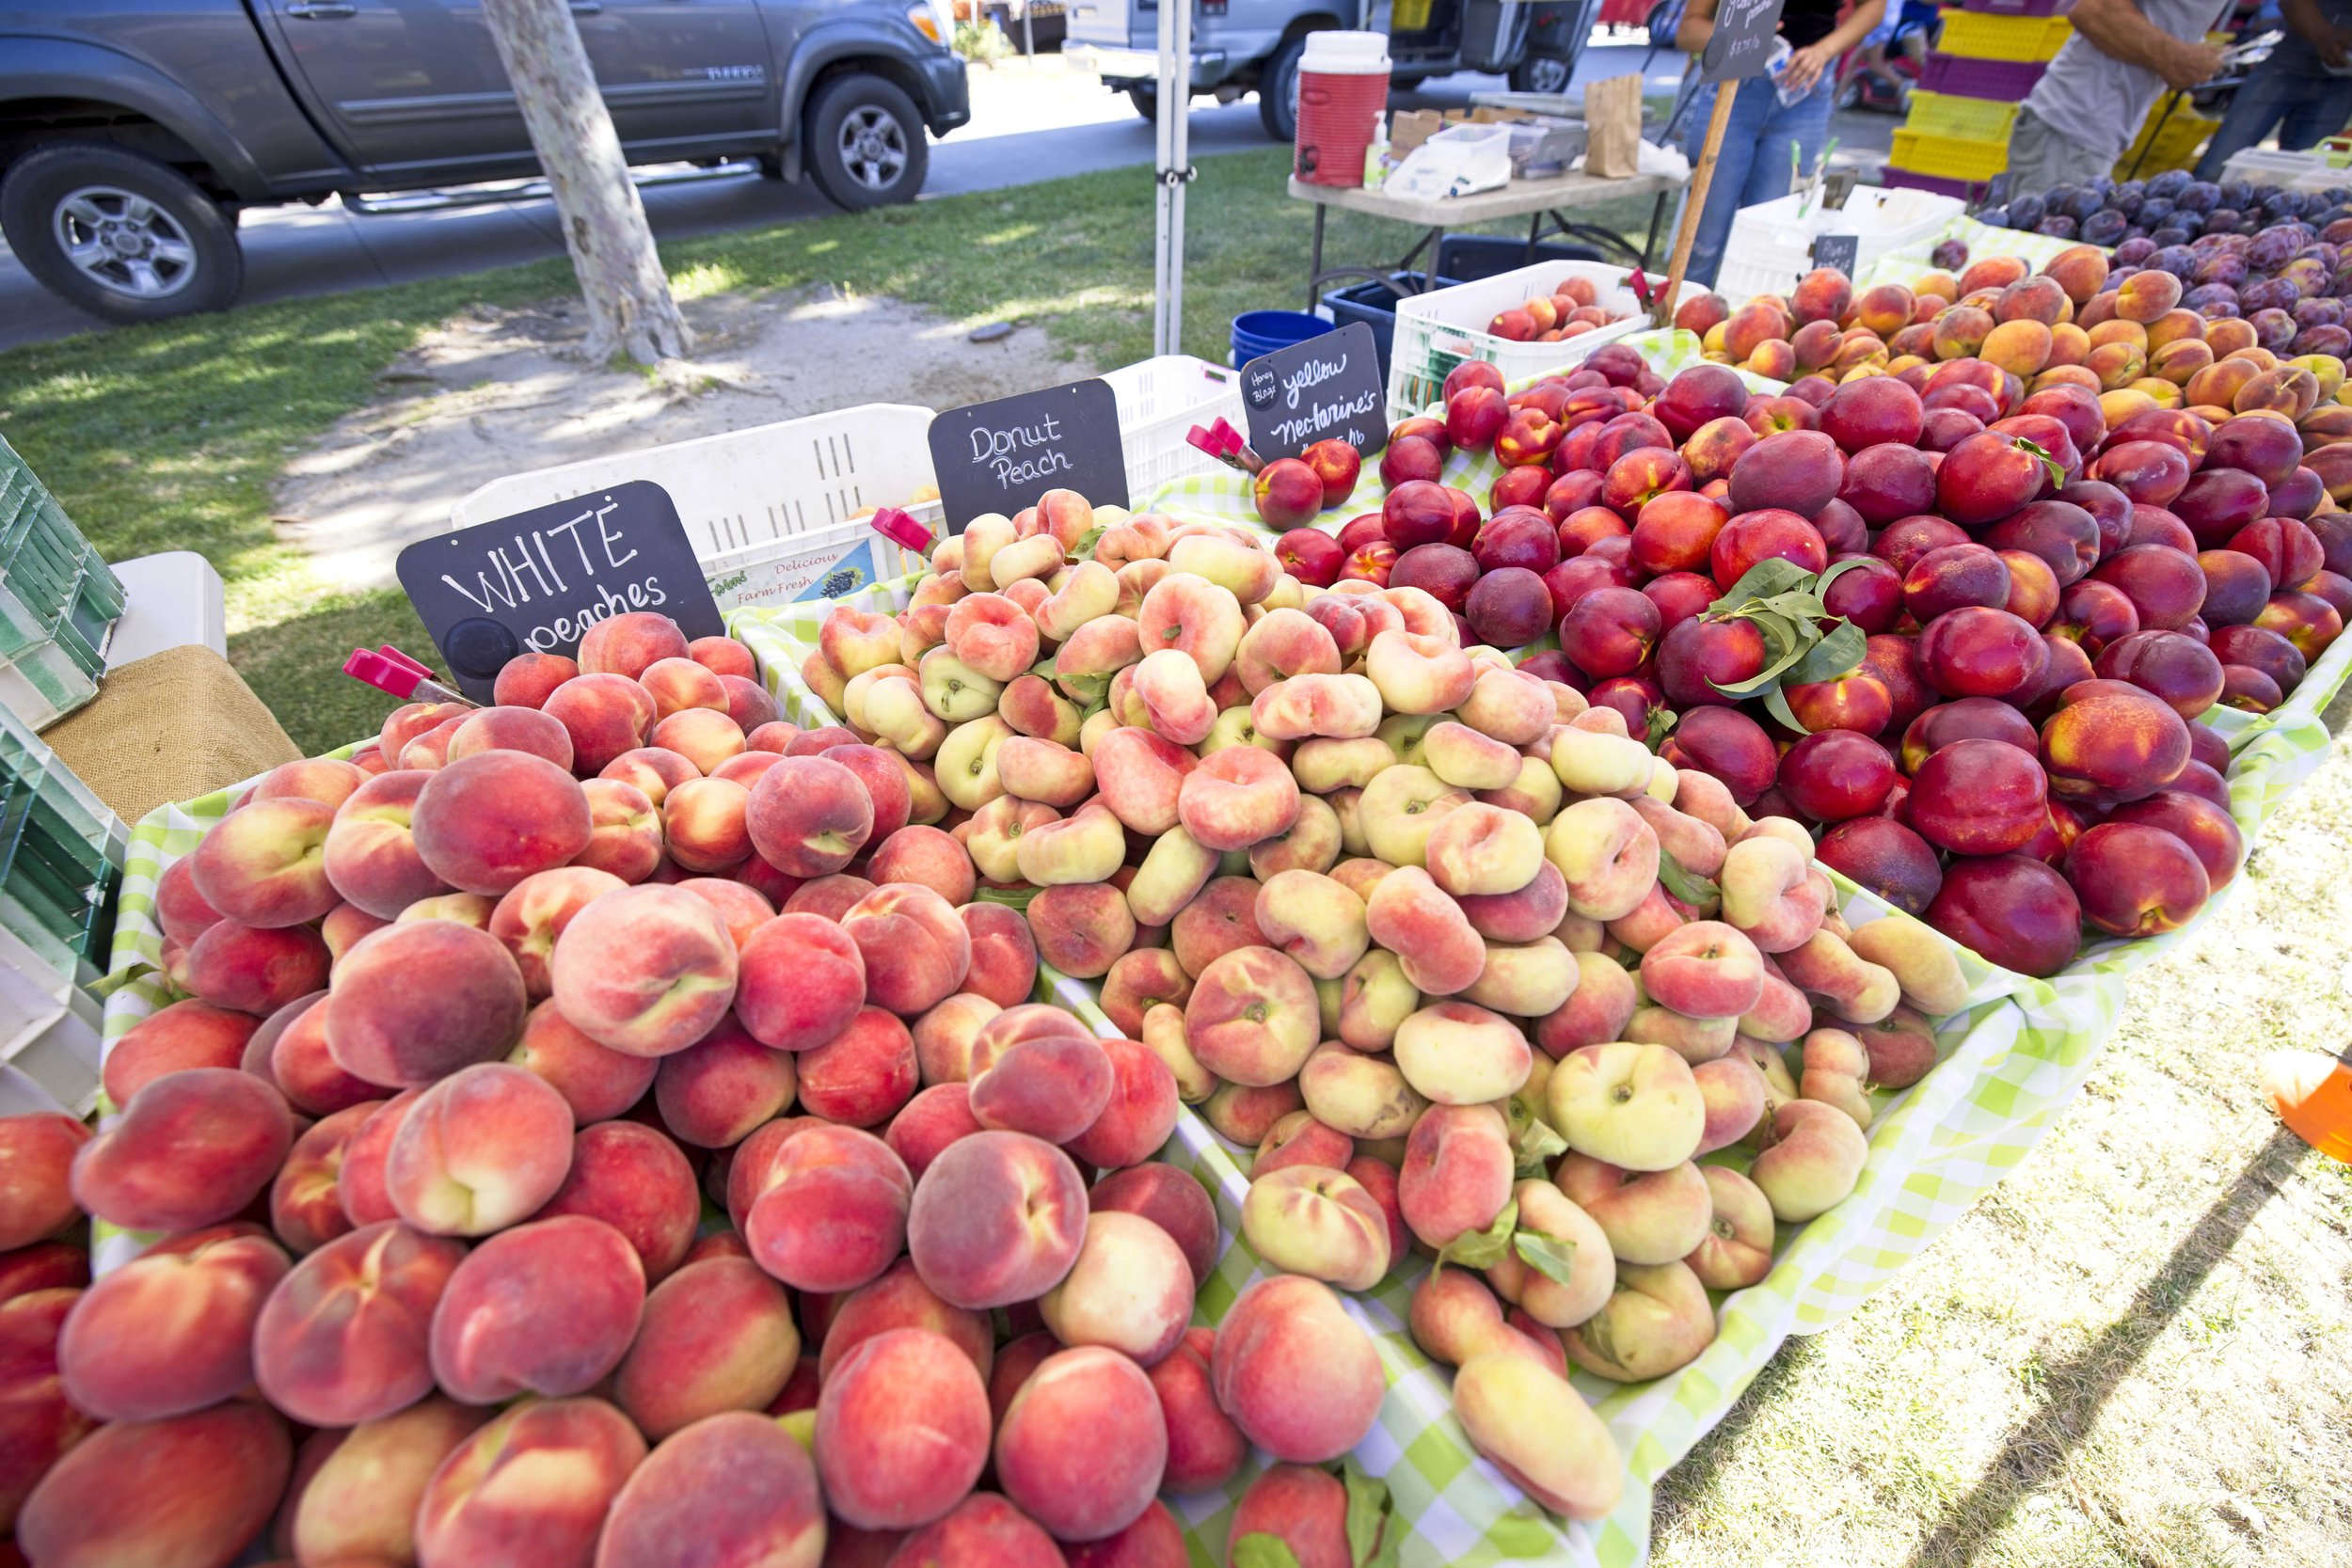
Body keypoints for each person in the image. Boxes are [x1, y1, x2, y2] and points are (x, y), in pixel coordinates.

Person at [1675, 0, 1889, 289]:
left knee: (1767, 238)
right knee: (1705, 239)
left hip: (1805, 94)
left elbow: (1875, 7)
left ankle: (1751, 326)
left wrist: (1823, 50)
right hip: (1734, 89)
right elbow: (1688, 30)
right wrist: (1743, 42)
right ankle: (1681, 316)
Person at [2005, 0, 2230, 191]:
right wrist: (2177, 57)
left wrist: (2187, 53)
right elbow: (2094, 11)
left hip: (2090, 133)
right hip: (2071, 128)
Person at [2194, 0, 2352, 179]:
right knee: (2217, 168)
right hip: (2285, 66)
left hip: (2340, 85)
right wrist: (2325, 36)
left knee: (2295, 180)